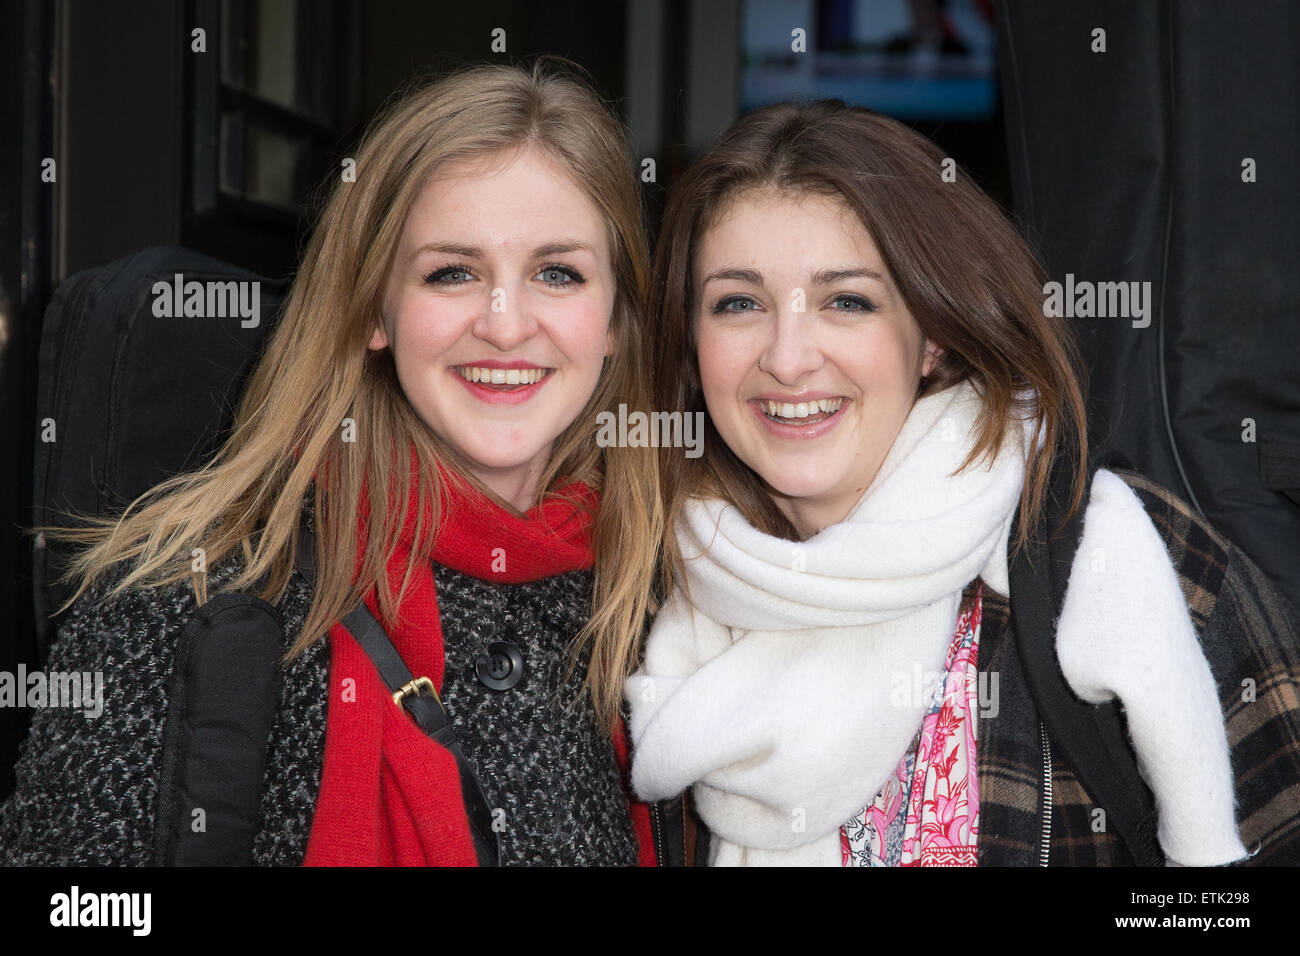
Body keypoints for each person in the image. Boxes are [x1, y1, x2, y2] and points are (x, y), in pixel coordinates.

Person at [1, 59, 661, 866]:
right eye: (452, 272)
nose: (505, 323)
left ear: (617, 321)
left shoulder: (663, 609)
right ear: (374, 309)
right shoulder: (187, 604)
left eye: (558, 273)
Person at [627, 99, 1300, 866]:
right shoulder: (647, 603)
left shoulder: (1121, 560)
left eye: (848, 300)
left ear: (934, 336)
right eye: (738, 303)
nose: (788, 357)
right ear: (691, 344)